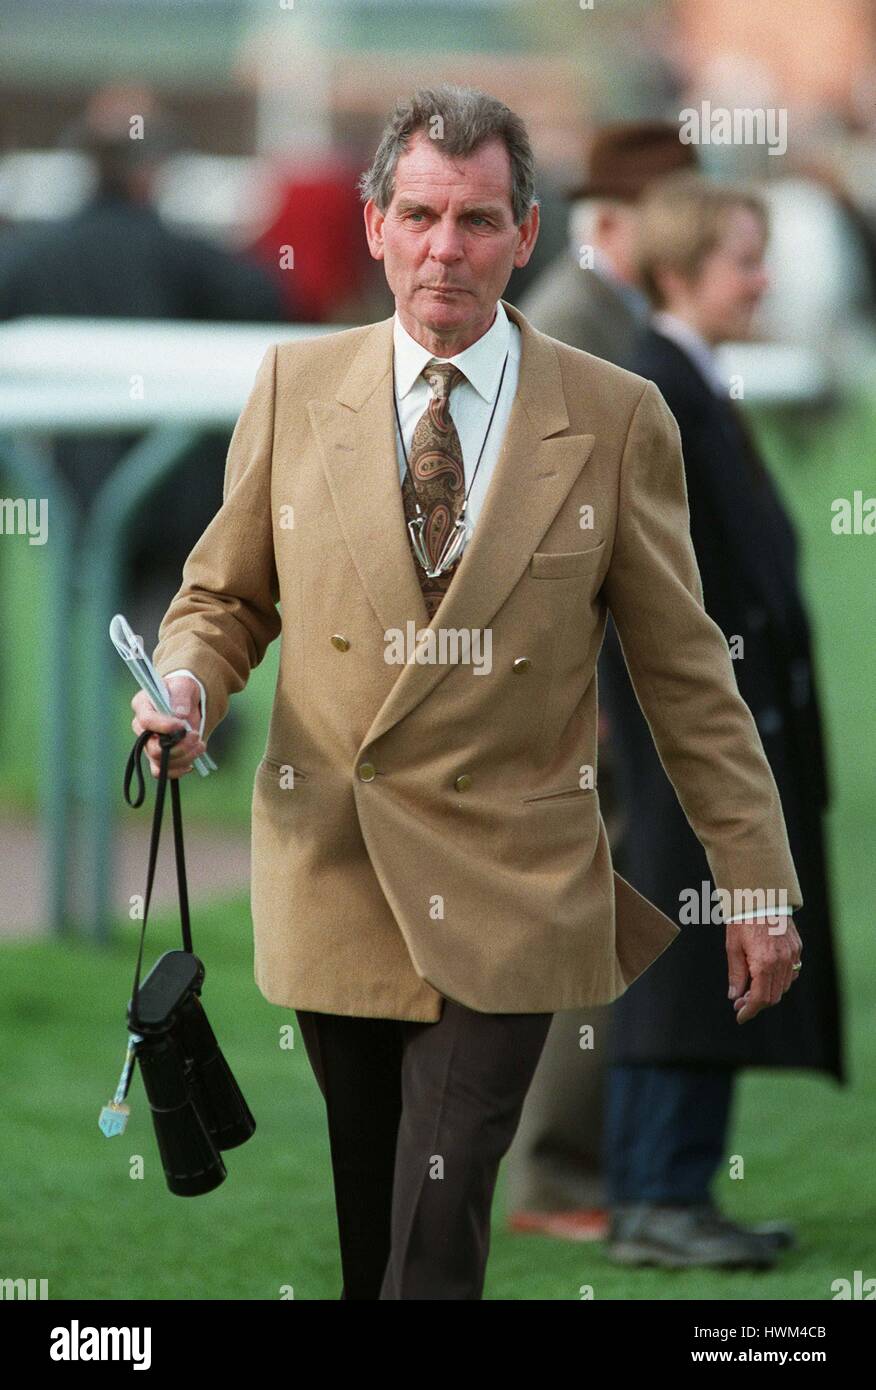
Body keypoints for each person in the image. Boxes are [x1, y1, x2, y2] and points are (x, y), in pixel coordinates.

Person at [133, 85, 804, 1300]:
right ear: (377, 222)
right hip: (338, 868)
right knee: (371, 1216)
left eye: (480, 219)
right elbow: (227, 599)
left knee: (438, 1219)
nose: (449, 247)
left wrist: (755, 882)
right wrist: (185, 684)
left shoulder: (615, 416)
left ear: (527, 233)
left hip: (516, 881)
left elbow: (688, 671)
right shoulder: (293, 387)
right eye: (424, 215)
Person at [599, 173, 844, 1268]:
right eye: (745, 256)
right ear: (682, 266)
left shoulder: (691, 379)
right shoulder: (657, 385)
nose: (764, 277)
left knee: (715, 952)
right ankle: (657, 1194)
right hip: (681, 733)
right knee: (690, 953)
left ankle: (671, 1186)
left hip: (719, 725)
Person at [505, 120, 700, 1241]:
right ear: (619, 223)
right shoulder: (582, 325)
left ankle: (585, 1164)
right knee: (584, 918)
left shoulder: (608, 316)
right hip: (582, 686)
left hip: (607, 675)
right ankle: (555, 1180)